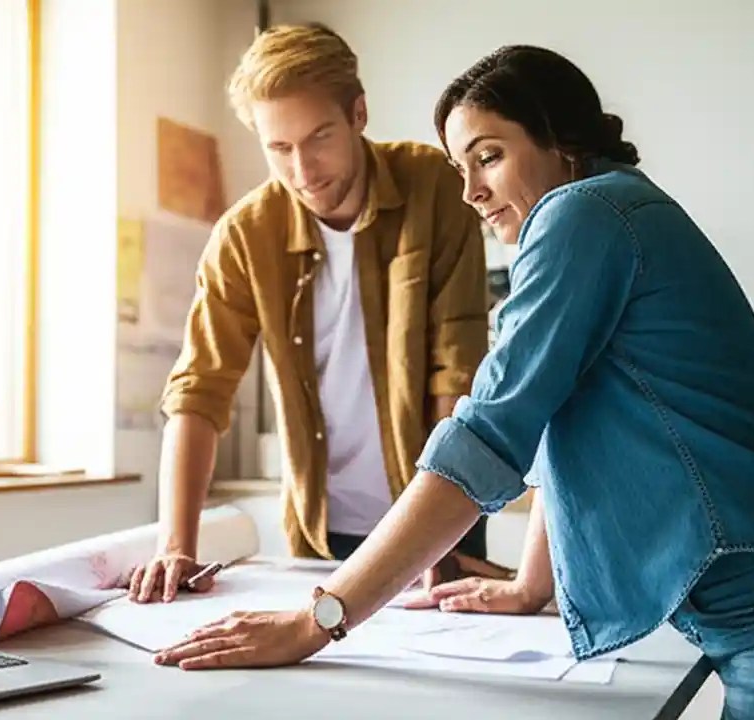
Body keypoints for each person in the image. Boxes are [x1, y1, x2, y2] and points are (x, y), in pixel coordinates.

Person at [152, 45, 754, 718]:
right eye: (462, 167)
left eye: (490, 156)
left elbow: (489, 432)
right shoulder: (616, 213)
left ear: (562, 143)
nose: (471, 191)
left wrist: (315, 620)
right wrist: (533, 585)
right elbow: (558, 416)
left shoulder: (579, 216)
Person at [127, 23, 501, 605]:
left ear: (358, 113)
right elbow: (198, 391)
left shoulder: (433, 186)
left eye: (319, 137)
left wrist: (430, 538)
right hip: (320, 535)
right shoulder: (245, 235)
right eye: (279, 148)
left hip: (435, 518)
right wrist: (175, 545)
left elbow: (457, 373)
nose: (303, 169)